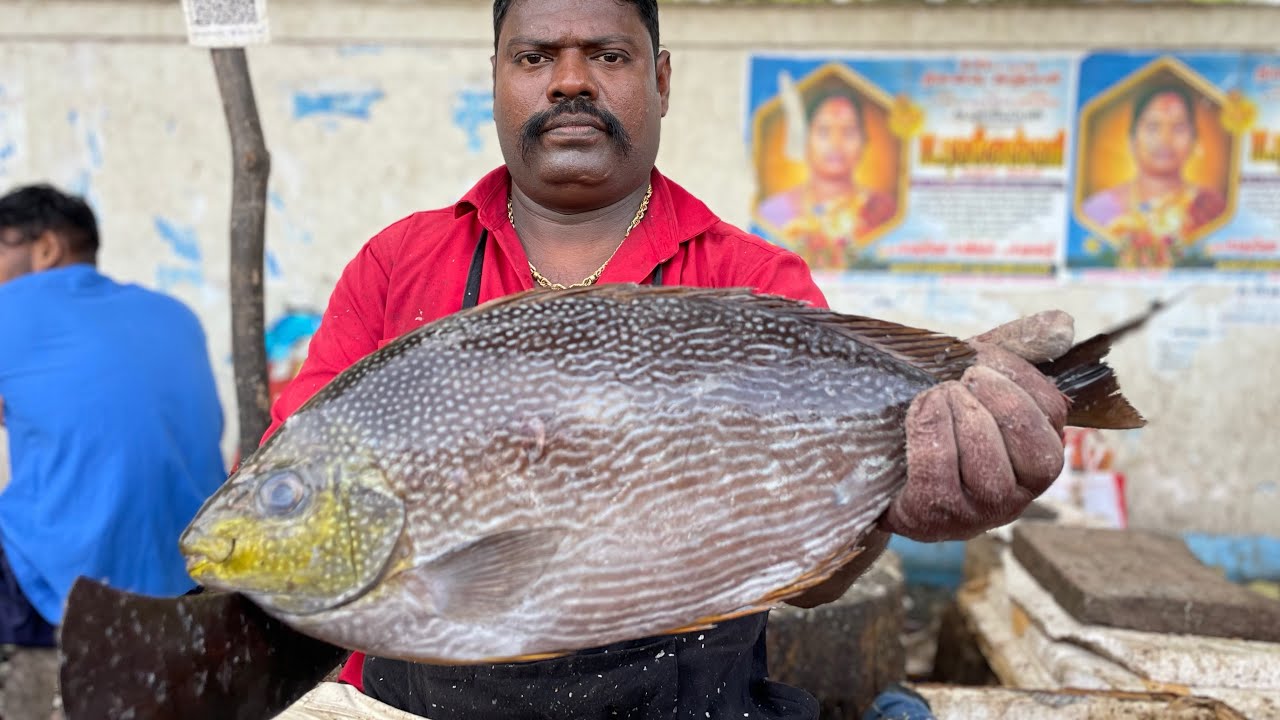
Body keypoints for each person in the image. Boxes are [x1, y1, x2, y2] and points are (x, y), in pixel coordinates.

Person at [263, 0, 1073, 717]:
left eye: (608, 56)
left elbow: (817, 578)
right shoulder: (399, 264)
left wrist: (894, 504)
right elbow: (305, 498)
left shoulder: (750, 279)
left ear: (662, 79)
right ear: (498, 78)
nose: (570, 81)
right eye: (535, 56)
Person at [0, 184, 227, 717]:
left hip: (71, 582)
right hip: (189, 572)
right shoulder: (173, 312)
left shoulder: (8, 306)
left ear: (46, 247)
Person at [1081, 84, 1227, 268]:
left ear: (1194, 140)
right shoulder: (1095, 212)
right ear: (1131, 141)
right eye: (1152, 127)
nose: (1165, 139)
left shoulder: (1214, 209)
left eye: (1179, 128)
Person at [757, 86, 897, 270]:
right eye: (824, 131)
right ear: (805, 139)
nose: (836, 143)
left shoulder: (884, 211)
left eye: (848, 132)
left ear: (864, 140)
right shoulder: (772, 213)